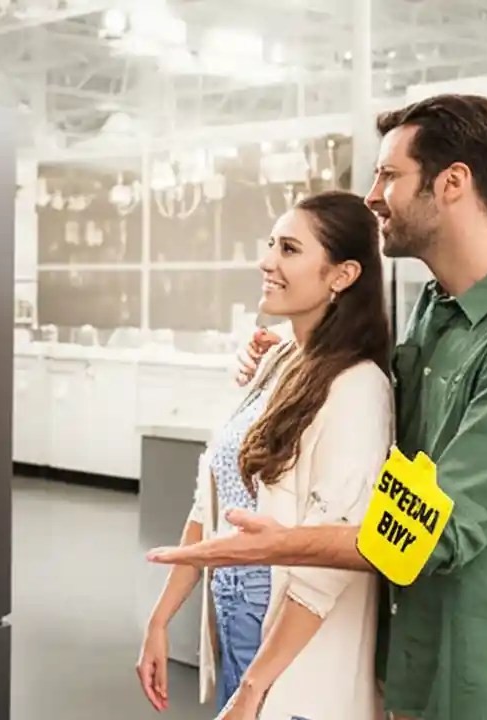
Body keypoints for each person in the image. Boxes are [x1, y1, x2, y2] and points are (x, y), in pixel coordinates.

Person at [149, 94, 487, 720]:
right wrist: (285, 357)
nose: (372, 196)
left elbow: (435, 530)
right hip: (414, 662)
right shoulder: (435, 313)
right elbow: (365, 409)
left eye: (389, 174)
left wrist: (275, 546)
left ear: (452, 183)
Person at [136, 190, 393, 720]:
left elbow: (326, 570)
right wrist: (160, 618)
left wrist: (253, 688)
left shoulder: (359, 387)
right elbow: (214, 500)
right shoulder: (279, 361)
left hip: (293, 660)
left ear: (342, 275)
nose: (267, 261)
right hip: (239, 625)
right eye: (272, 243)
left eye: (290, 249)